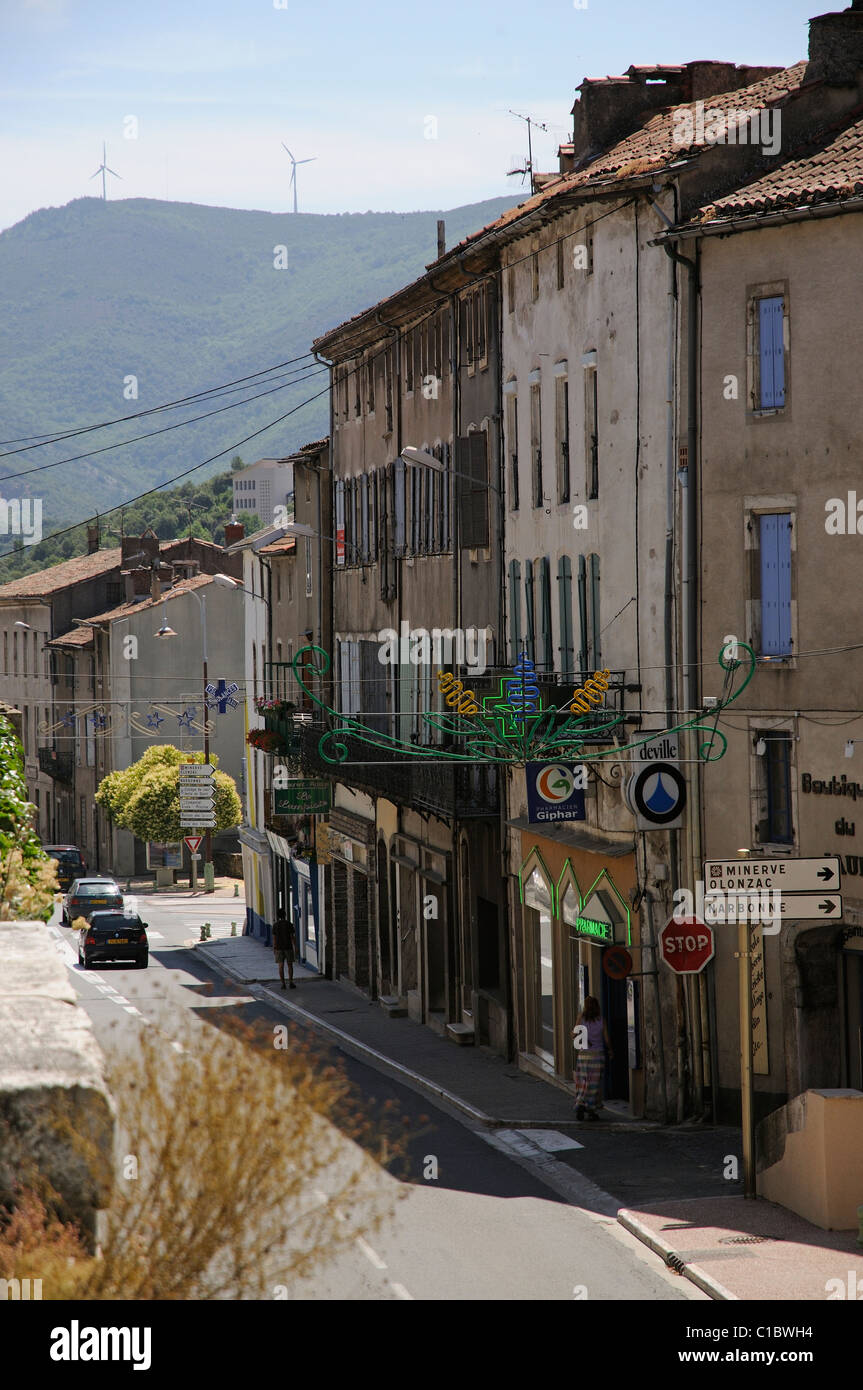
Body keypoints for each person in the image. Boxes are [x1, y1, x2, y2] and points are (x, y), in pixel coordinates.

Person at [572, 995, 613, 1121]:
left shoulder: (581, 1018)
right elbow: (606, 1039)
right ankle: (591, 1109)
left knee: (583, 1082)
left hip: (583, 1056)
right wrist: (611, 1050)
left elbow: (574, 1035)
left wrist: (583, 1039)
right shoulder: (601, 1020)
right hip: (597, 1056)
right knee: (594, 1084)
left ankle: (580, 1103)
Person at [272, 911, 297, 990]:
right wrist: (295, 946)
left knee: (281, 966)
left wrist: (274, 947)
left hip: (279, 948)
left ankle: (283, 983)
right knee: (290, 965)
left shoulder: (275, 925)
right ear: (285, 915)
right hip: (288, 947)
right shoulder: (289, 924)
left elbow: (274, 938)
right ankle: (290, 982)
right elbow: (292, 937)